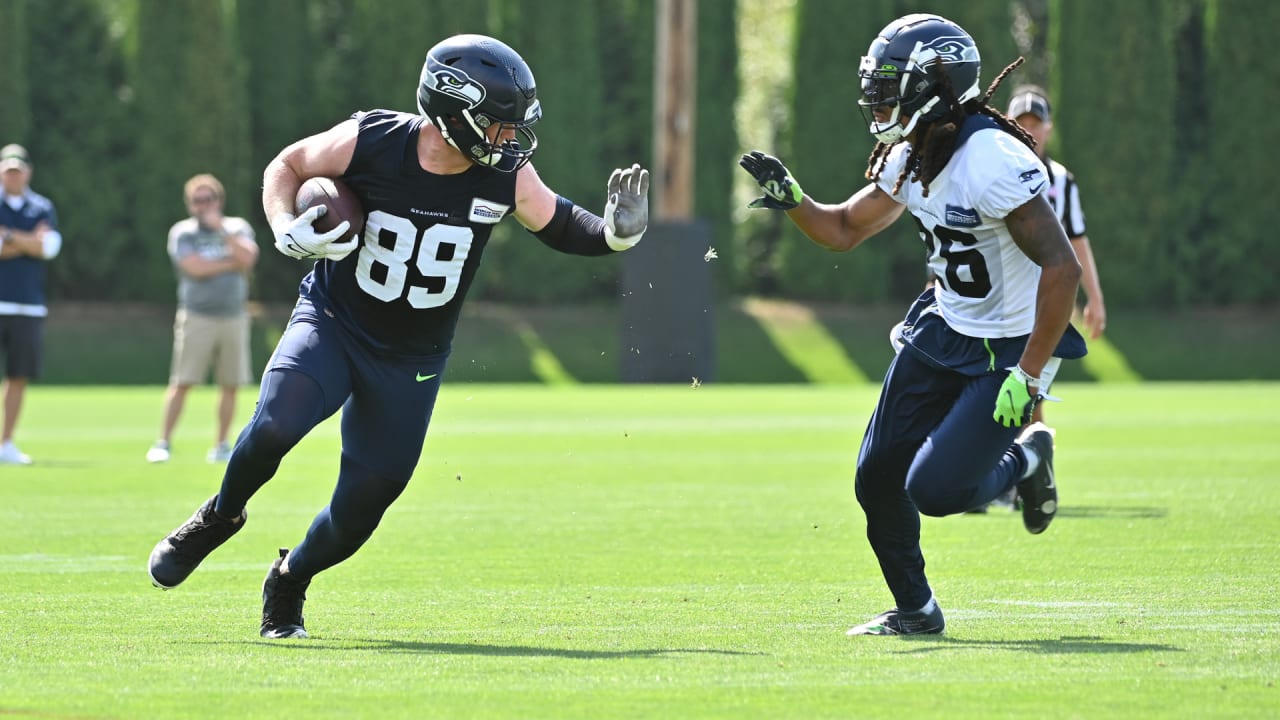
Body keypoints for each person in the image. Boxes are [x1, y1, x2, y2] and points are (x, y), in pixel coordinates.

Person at [147, 34, 650, 639]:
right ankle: (219, 516)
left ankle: (290, 576)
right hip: (334, 322)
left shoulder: (507, 174)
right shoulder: (374, 139)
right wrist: (285, 226)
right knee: (278, 422)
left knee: (365, 504)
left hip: (412, 356)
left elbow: (560, 222)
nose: (507, 140)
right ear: (451, 110)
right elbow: (288, 166)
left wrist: (616, 235)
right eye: (496, 125)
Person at [739, 13, 1085, 635]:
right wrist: (795, 200)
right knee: (876, 477)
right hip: (945, 325)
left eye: (889, 82)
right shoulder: (914, 152)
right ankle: (917, 611)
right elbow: (845, 228)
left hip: (1007, 344)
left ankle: (1029, 459)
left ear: (934, 82)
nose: (876, 96)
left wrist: (1030, 374)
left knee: (937, 489)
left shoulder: (992, 158)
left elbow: (1062, 268)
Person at [146, 174, 259, 464]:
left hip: (233, 316)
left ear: (219, 200)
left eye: (208, 199)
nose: (203, 205)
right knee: (182, 381)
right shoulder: (183, 233)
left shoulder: (236, 227)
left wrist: (221, 230)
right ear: (189, 204)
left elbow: (248, 258)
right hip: (197, 316)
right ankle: (164, 442)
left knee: (230, 384)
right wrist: (230, 264)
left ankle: (221, 445)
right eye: (197, 201)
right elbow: (193, 268)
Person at [0, 144, 62, 466]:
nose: (14, 175)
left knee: (18, 375)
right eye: (8, 169)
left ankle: (5, 442)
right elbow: (35, 245)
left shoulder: (41, 206)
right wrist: (28, 242)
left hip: (27, 305)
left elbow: (48, 248)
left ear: (28, 172)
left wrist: (9, 237)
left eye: (18, 169)